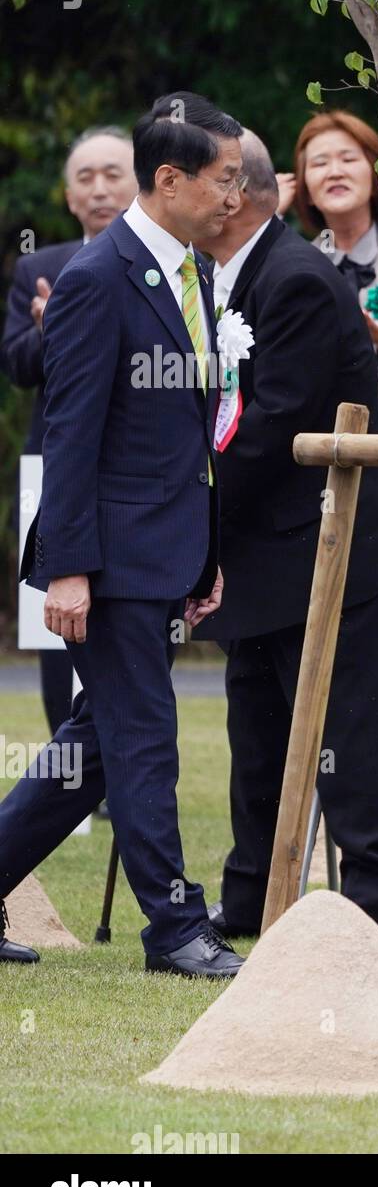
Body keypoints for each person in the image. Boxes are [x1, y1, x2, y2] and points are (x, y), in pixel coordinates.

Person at [0, 92, 243, 977]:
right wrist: (68, 570)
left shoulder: (197, 273)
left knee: (98, 743)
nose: (236, 193)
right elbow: (71, 433)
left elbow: (189, 432)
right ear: (170, 178)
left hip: (167, 553)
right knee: (142, 736)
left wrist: (204, 552)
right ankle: (175, 928)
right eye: (222, 179)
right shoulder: (96, 279)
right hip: (107, 560)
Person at [195, 130, 378, 941]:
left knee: (352, 732)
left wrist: (189, 502)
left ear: (232, 196)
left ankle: (374, 903)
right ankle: (253, 894)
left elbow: (270, 425)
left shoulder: (292, 278)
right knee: (255, 727)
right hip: (263, 546)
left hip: (333, 542)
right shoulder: (221, 274)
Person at [2, 126, 138, 735]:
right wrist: (50, 327)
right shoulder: (41, 266)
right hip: (55, 463)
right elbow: (18, 366)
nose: (101, 188)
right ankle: (65, 770)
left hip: (140, 468)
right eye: (86, 177)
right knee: (53, 620)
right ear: (67, 195)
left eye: (113, 173)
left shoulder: (166, 261)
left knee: (131, 620)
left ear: (142, 183)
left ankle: (117, 763)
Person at [293, 111, 378, 569]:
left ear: (377, 171)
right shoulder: (291, 266)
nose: (333, 171)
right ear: (303, 185)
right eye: (319, 163)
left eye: (348, 159)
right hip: (311, 468)